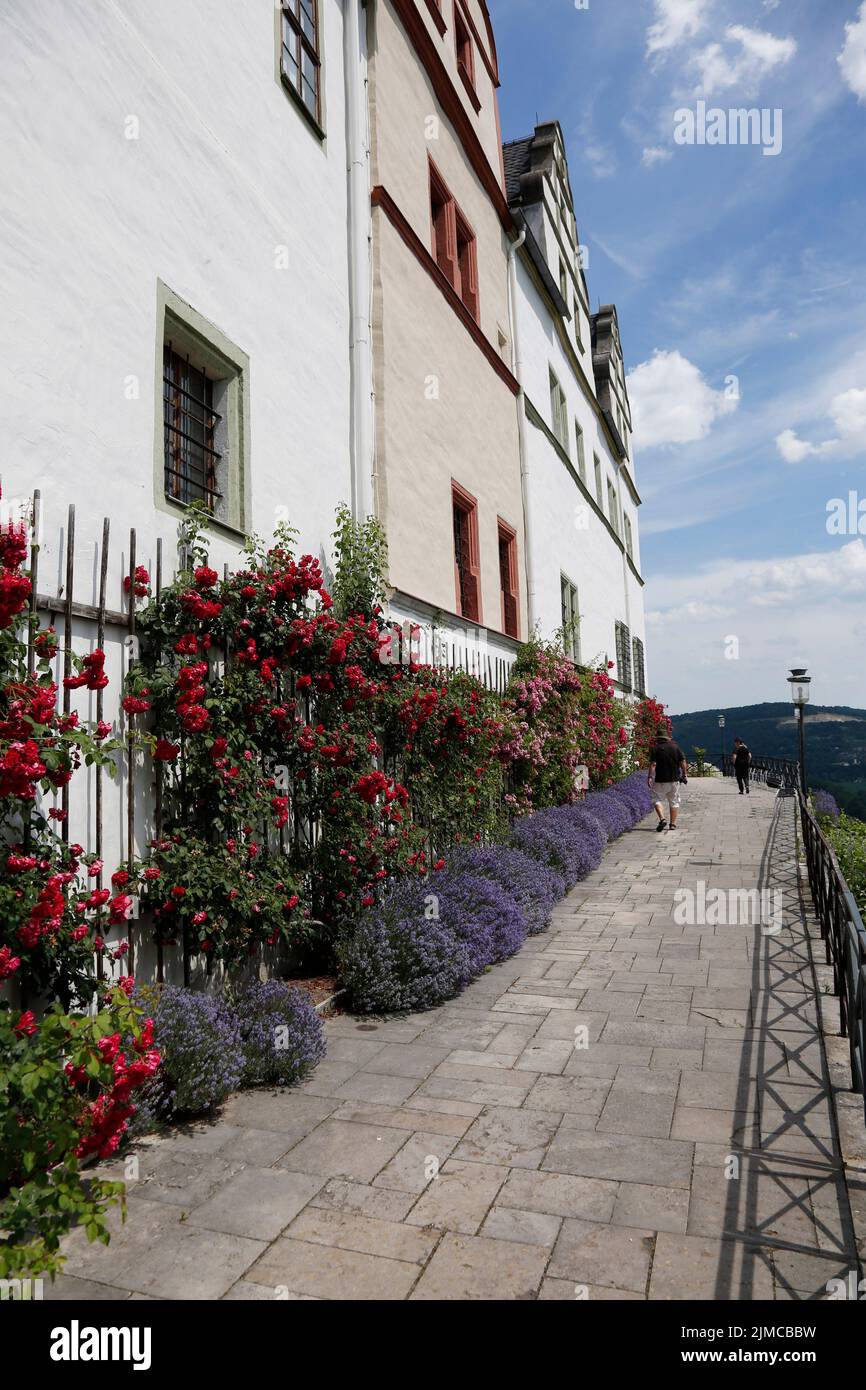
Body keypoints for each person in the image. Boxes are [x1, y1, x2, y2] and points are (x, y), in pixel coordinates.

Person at [648, 731, 688, 832]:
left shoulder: (655, 749)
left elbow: (653, 764)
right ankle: (673, 824)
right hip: (674, 780)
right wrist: (684, 774)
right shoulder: (675, 747)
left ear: (658, 738)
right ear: (667, 738)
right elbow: (682, 761)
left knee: (656, 799)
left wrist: (650, 777)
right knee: (674, 802)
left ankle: (662, 819)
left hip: (660, 780)